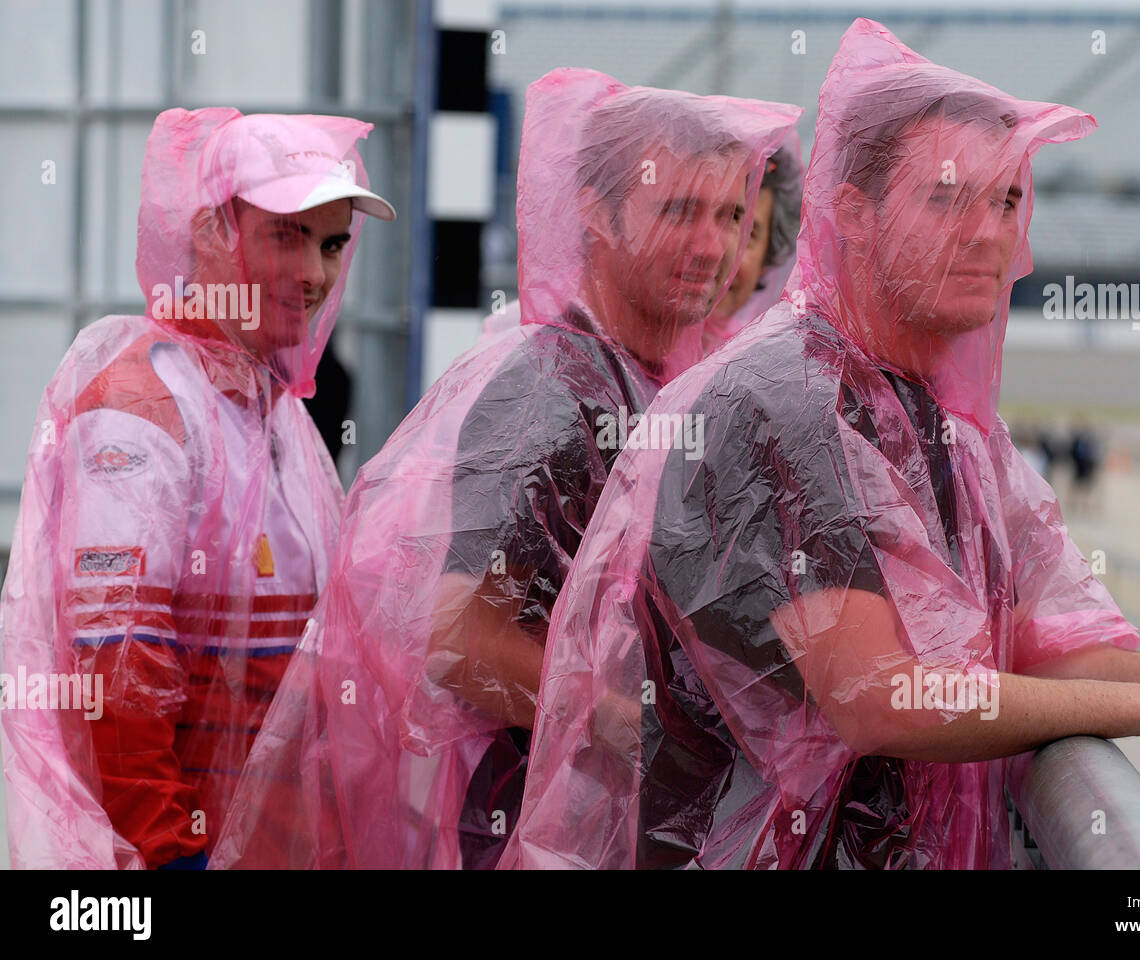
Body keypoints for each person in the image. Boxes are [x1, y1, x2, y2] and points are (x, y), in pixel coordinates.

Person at [505, 19, 1140, 870]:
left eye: (1007, 201)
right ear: (854, 213)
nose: (989, 234)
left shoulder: (936, 422)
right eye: (948, 198)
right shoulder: (785, 401)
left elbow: (1023, 646)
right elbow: (878, 695)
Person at [211, 70, 801, 869]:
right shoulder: (556, 394)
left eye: (731, 215)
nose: (714, 248)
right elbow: (459, 639)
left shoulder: (654, 385)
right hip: (542, 832)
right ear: (595, 211)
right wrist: (645, 729)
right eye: (678, 210)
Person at [0, 109, 394, 869]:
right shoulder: (142, 409)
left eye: (332, 243)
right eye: (287, 235)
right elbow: (115, 669)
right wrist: (169, 856)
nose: (314, 273)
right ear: (213, 232)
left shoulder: (277, 415)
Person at [479, 136, 803, 356]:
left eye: (736, 223)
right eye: (682, 214)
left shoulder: (751, 368)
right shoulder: (534, 343)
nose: (712, 250)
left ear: (769, 259)